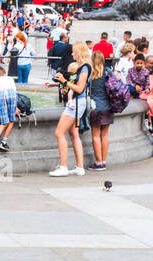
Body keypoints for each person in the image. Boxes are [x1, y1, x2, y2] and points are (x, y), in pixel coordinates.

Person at [48, 41, 91, 176]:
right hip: (78, 102)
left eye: (74, 51)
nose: (72, 53)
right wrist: (55, 84)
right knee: (74, 134)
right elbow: (74, 84)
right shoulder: (81, 67)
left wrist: (63, 81)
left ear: (79, 52)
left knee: (59, 133)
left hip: (76, 103)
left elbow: (79, 88)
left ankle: (63, 167)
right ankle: (79, 167)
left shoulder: (84, 68)